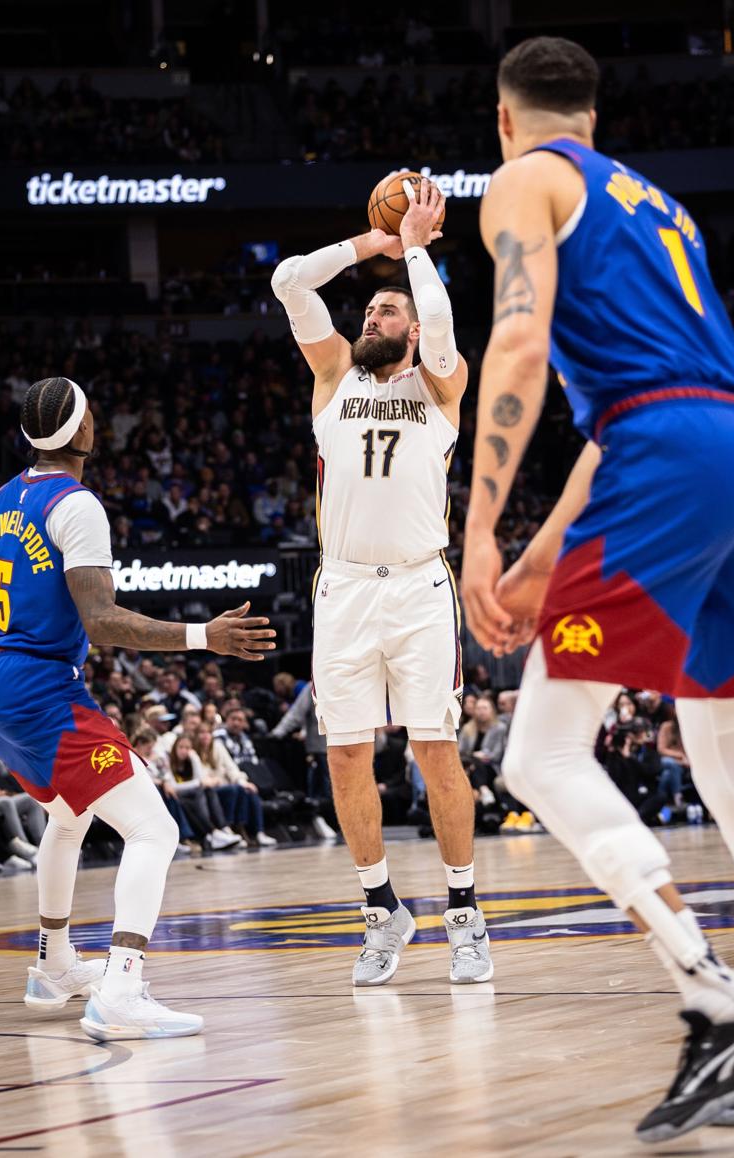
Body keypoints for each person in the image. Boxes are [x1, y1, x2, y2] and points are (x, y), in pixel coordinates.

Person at [460, 37, 734, 1140]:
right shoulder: (657, 203)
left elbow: (520, 347)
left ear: (505, 120)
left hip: (667, 456)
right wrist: (538, 560)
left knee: (540, 756)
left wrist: (478, 529)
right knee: (728, 760)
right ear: (594, 117)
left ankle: (723, 1005)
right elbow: (631, 407)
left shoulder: (523, 179)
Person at [0, 376, 276, 1041]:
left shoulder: (1, 499)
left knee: (68, 816)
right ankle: (120, 989)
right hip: (39, 687)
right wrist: (205, 636)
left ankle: (53, 965)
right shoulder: (77, 504)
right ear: (84, 430)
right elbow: (103, 620)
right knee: (155, 829)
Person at [272, 179, 493, 985]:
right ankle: (380, 911)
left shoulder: (441, 384)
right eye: (369, 308)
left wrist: (419, 254)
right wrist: (372, 246)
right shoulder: (333, 373)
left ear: (413, 329)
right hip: (343, 590)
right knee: (344, 757)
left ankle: (464, 913)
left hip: (418, 588)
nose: (373, 316)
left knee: (435, 750)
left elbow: (440, 322)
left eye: (387, 310)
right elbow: (288, 281)